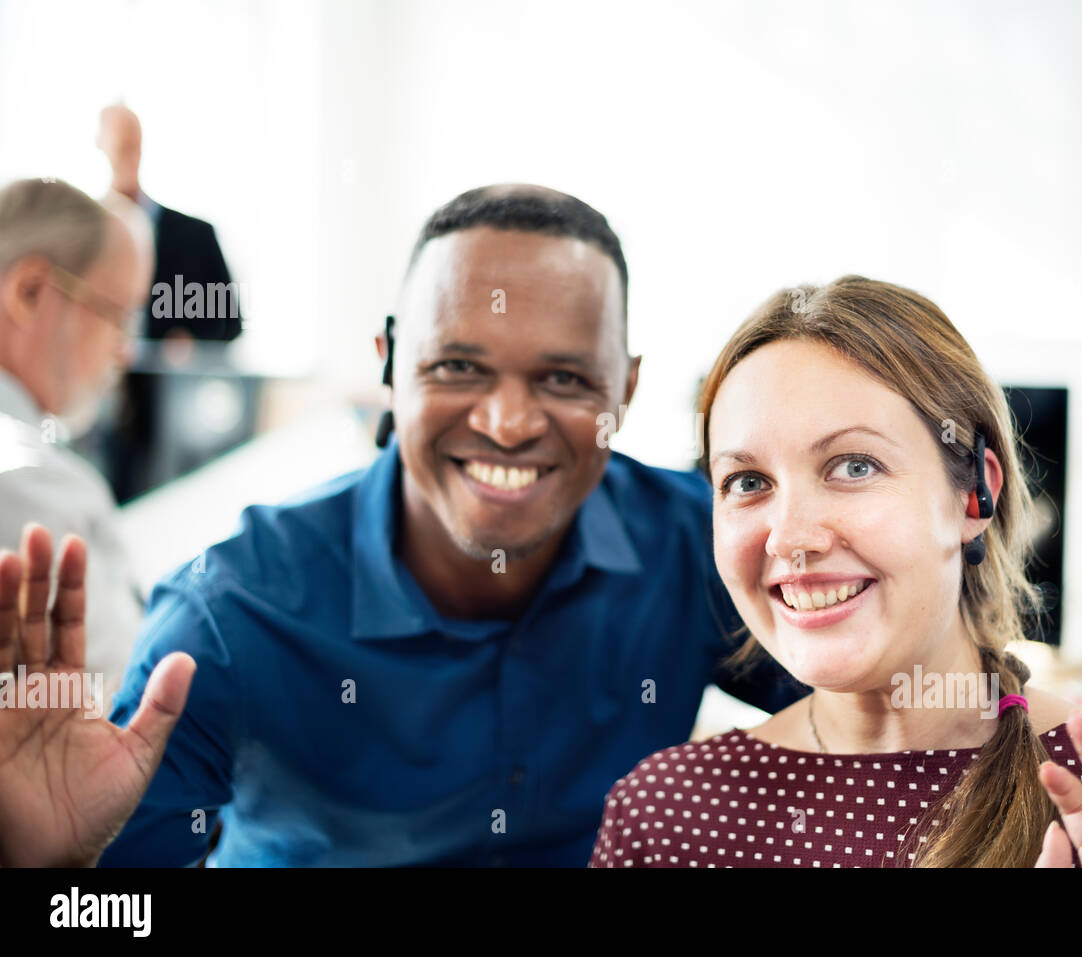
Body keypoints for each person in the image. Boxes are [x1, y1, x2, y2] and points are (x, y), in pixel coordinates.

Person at [0, 184, 800, 868]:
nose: (509, 422)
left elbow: (895, 726)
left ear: (623, 389)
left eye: (563, 377)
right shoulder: (232, 617)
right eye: (458, 366)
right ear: (389, 364)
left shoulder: (698, 542)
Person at [590, 276, 1082, 868]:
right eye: (746, 480)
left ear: (975, 494)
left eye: (854, 466)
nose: (791, 536)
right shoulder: (663, 816)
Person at [0, 177, 153, 698]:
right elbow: (134, 683)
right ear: (30, 291)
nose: (126, 351)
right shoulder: (35, 489)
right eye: (119, 316)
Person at [96, 103, 243, 503]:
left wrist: (191, 342)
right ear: (100, 149)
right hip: (96, 413)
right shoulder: (81, 240)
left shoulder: (193, 235)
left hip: (174, 411)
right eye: (117, 146)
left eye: (132, 146)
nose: (126, 156)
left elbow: (230, 320)